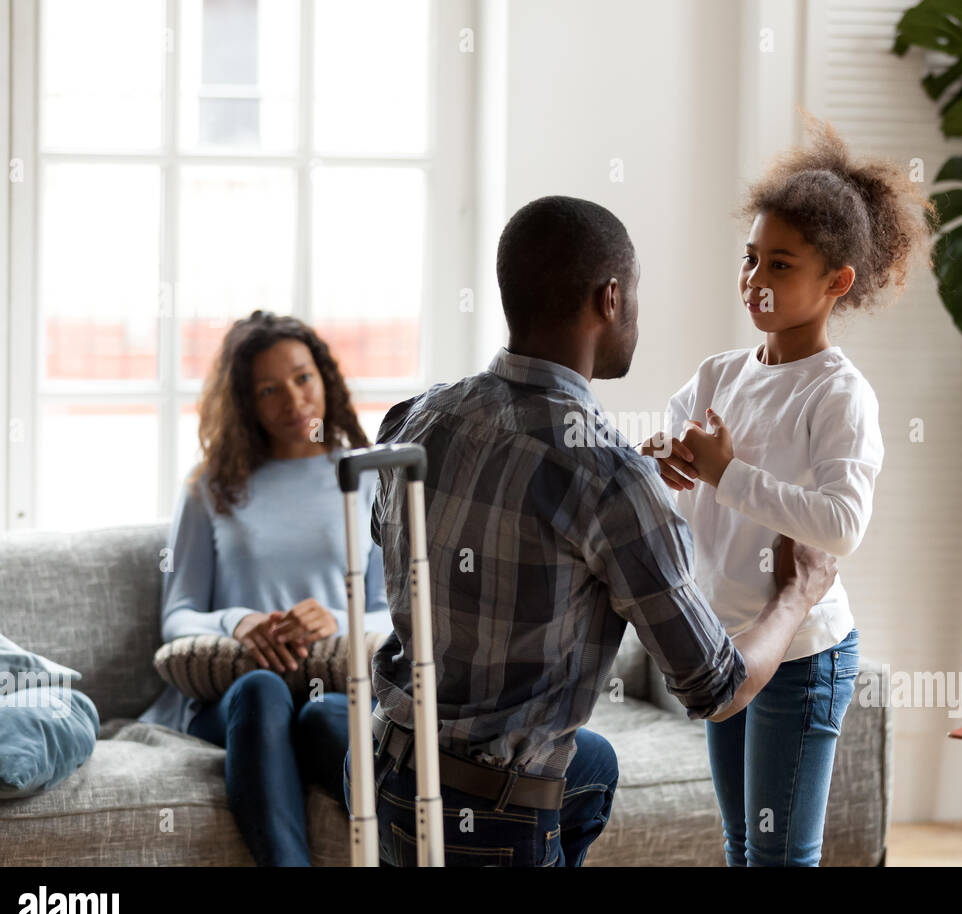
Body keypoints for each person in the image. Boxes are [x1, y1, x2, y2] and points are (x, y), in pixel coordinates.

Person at [350, 195, 842, 867]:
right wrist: (797, 595)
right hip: (488, 813)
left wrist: (614, 509)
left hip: (381, 771)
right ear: (610, 298)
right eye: (634, 295)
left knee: (594, 767)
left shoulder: (420, 416)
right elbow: (716, 689)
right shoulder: (608, 477)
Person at [638, 118, 932, 865]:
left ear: (836, 283)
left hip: (801, 655)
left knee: (777, 856)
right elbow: (669, 487)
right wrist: (662, 463)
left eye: (780, 265)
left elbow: (840, 527)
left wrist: (725, 475)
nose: (755, 282)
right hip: (725, 647)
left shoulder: (839, 395)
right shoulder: (715, 375)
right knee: (741, 846)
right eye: (749, 260)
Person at [138, 310, 392, 866]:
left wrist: (335, 618)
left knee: (323, 718)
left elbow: (392, 616)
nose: (294, 400)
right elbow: (178, 617)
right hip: (232, 697)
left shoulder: (366, 478)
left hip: (329, 686)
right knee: (263, 690)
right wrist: (240, 621)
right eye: (269, 390)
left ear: (324, 376)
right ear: (246, 403)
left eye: (303, 378)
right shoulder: (210, 487)